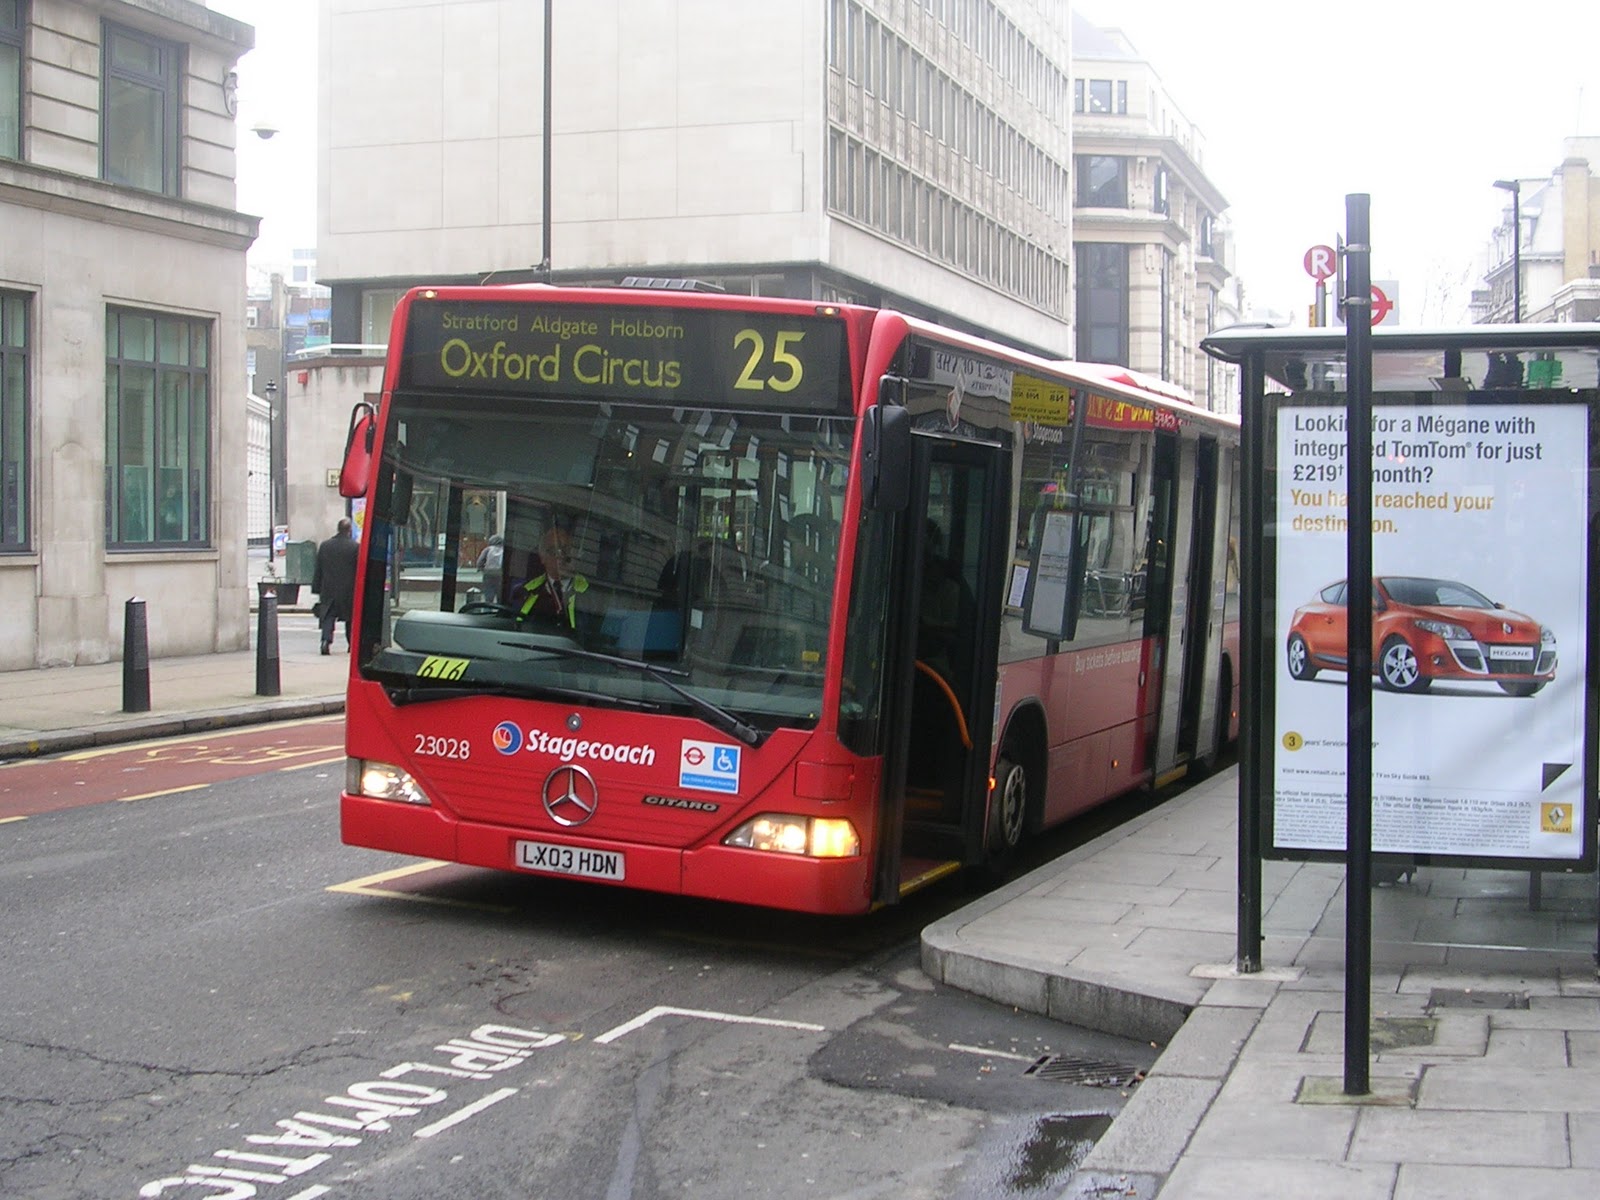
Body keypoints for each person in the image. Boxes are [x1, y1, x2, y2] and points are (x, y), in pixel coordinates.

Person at [516, 527, 588, 629]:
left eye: (567, 550)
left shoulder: (591, 595)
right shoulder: (525, 591)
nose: (561, 556)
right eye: (554, 551)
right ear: (542, 557)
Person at [312, 516, 360, 654]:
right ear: (349, 530)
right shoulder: (355, 547)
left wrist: (316, 588)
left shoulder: (325, 546)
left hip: (328, 589)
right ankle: (352, 645)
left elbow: (318, 569)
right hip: (349, 590)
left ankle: (325, 641)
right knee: (351, 618)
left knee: (328, 616)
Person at [475, 533, 505, 600]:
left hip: (488, 574)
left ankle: (487, 608)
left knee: (488, 594)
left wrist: (482, 569)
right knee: (500, 596)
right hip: (500, 575)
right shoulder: (504, 550)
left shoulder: (487, 550)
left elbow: (480, 562)